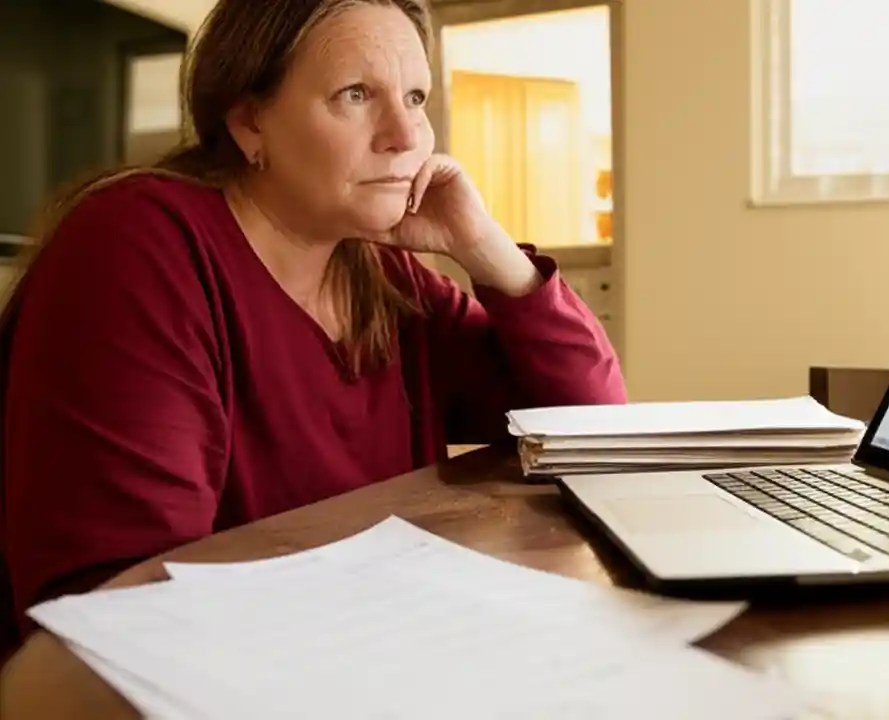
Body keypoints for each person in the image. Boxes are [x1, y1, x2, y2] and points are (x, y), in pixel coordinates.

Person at [0, 0, 625, 654]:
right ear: (249, 121)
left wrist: (484, 244)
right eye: (355, 95)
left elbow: (592, 421)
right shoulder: (138, 245)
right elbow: (121, 611)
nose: (406, 135)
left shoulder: (383, 273)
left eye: (415, 97)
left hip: (368, 651)